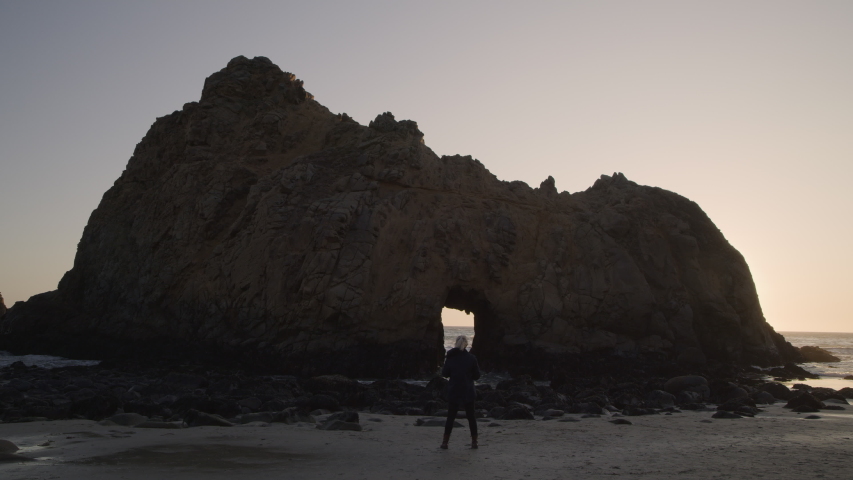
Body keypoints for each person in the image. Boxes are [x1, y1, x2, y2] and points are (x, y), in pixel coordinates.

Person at [440, 335, 481, 449]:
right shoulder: (472, 358)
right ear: (466, 344)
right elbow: (477, 376)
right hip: (468, 390)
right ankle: (474, 442)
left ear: (455, 344)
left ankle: (445, 442)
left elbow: (445, 373)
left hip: (454, 389)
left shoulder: (450, 357)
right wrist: (468, 376)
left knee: (451, 417)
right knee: (471, 417)